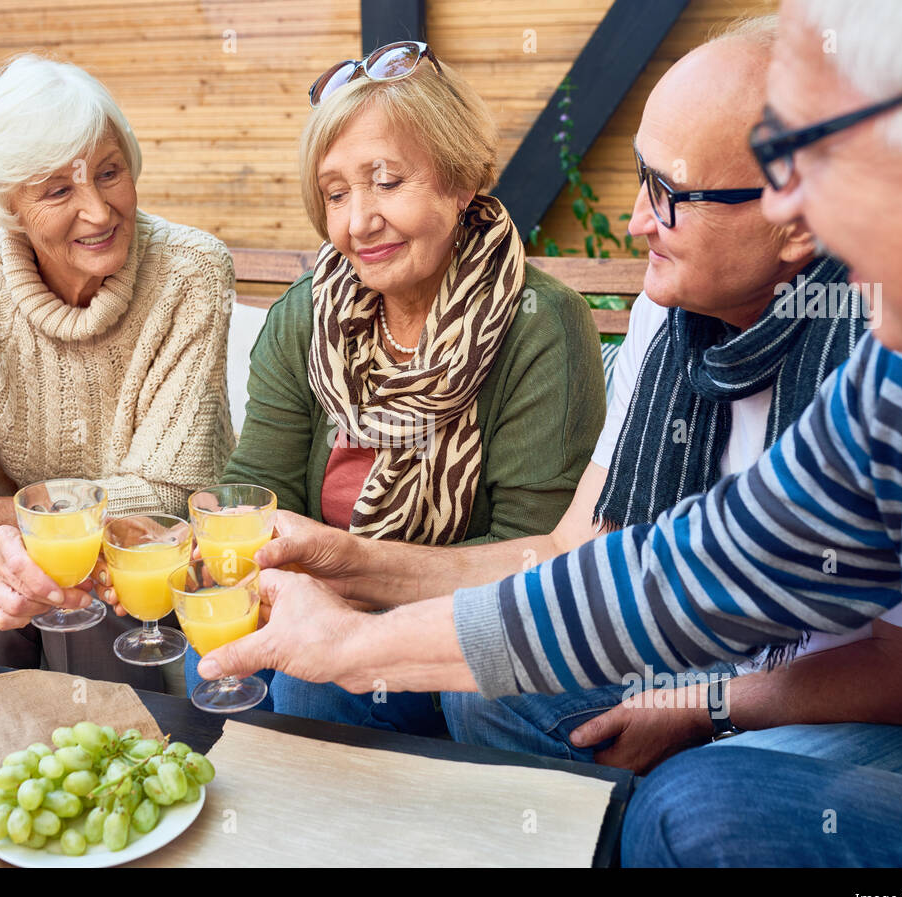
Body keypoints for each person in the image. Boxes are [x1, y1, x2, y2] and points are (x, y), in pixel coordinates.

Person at [197, 0, 902, 867]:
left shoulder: (897, 348)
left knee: (697, 809)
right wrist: (351, 625)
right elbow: (685, 572)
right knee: (498, 703)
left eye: (829, 160)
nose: (801, 211)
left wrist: (706, 707)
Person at [94, 42, 602, 727]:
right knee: (214, 646)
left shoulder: (542, 325)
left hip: (453, 639)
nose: (357, 222)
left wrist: (350, 590)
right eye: (336, 194)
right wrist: (200, 548)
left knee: (316, 686)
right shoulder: (306, 314)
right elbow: (257, 487)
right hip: (314, 597)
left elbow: (531, 559)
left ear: (459, 182)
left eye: (387, 181)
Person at [0, 53, 236, 692]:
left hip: (144, 564)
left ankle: (119, 781)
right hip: (42, 556)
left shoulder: (190, 272)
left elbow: (165, 495)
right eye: (58, 191)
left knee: (97, 595)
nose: (99, 210)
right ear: (9, 206)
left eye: (109, 173)